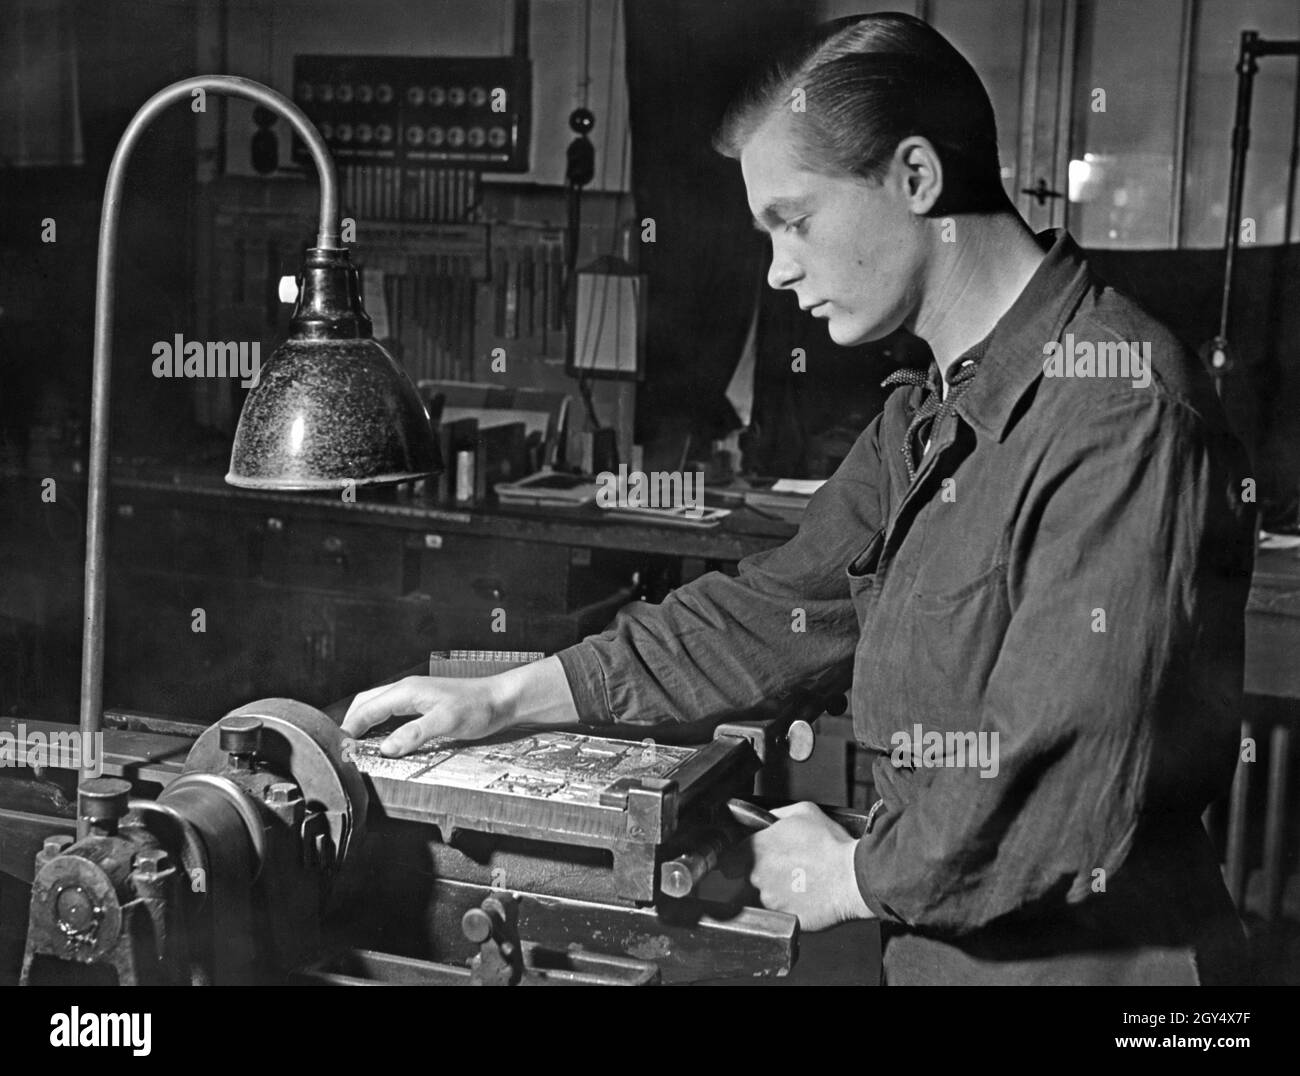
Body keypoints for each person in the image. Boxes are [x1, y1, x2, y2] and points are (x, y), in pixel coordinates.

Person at [344, 13, 1254, 985]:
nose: (777, 270)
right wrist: (500, 696)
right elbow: (770, 612)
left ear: (915, 178)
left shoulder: (1117, 407)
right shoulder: (928, 412)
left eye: (796, 220)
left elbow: (1059, 788)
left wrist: (857, 873)